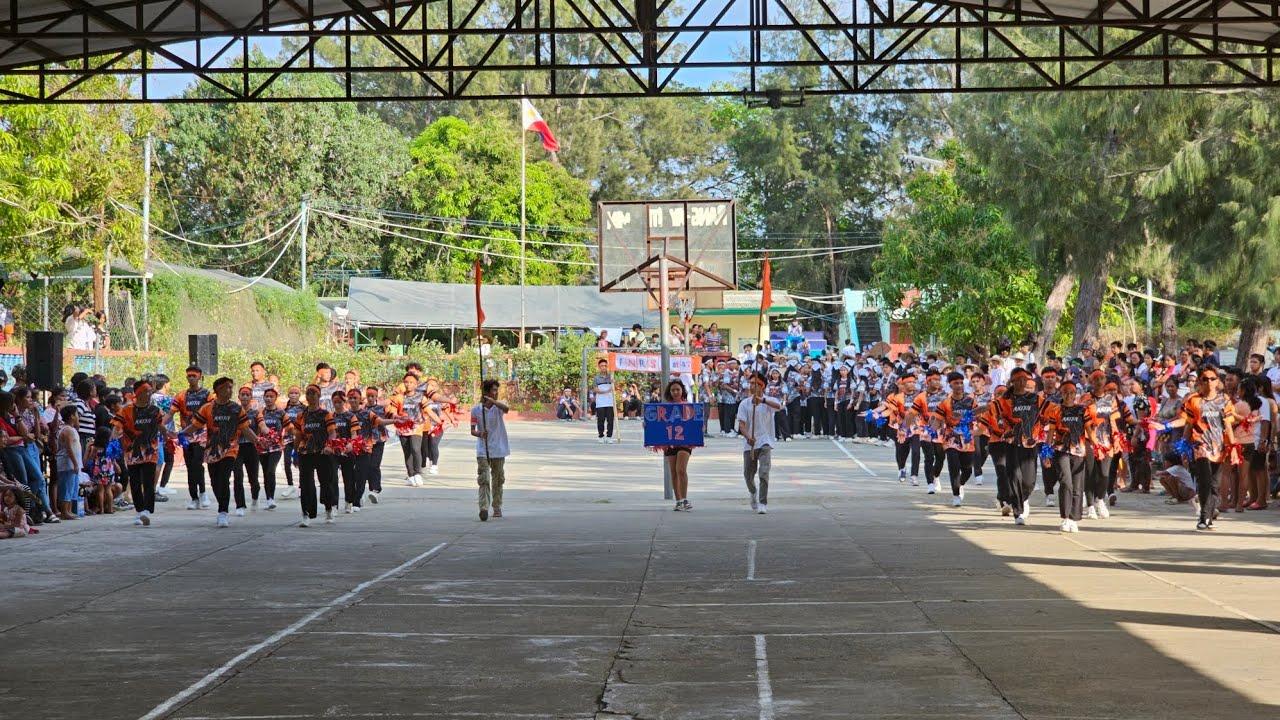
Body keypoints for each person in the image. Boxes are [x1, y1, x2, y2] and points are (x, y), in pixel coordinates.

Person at [1149, 367, 1236, 530]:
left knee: (1214, 484)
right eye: (1205, 379)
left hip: (1219, 447)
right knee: (1204, 480)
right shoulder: (1193, 400)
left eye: (1212, 379)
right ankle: (1204, 516)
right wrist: (1166, 427)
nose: (1209, 382)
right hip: (1199, 446)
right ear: (1200, 382)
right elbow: (1186, 422)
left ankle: (1209, 516)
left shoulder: (1224, 400)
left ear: (1218, 381)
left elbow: (1228, 426)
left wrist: (1234, 447)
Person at [180, 377, 256, 528]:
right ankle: (222, 506)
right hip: (211, 451)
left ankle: (223, 512)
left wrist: (257, 441)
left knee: (224, 479)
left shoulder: (236, 408)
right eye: (227, 387)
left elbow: (245, 429)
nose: (230, 390)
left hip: (230, 450)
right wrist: (182, 434)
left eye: (231, 387)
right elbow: (195, 425)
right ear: (218, 390)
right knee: (215, 482)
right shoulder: (207, 408)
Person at [110, 379, 165, 527]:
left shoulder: (155, 410)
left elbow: (161, 427)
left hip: (150, 452)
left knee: (148, 481)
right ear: (139, 393)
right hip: (131, 453)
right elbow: (116, 428)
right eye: (147, 391)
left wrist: (168, 437)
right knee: (135, 482)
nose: (149, 394)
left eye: (150, 391)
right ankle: (139, 511)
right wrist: (113, 441)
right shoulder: (126, 411)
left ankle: (147, 510)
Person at [291, 385, 336, 526]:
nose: (311, 396)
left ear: (319, 395)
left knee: (326, 482)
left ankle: (329, 509)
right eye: (308, 393)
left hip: (323, 453)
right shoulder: (301, 416)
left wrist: (330, 445)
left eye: (313, 394)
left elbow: (332, 433)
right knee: (305, 485)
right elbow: (298, 436)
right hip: (305, 453)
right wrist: (295, 453)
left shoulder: (326, 414)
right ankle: (306, 514)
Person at [738, 371, 781, 514]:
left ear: (762, 386)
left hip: (765, 441)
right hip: (750, 443)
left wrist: (762, 401)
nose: (751, 386)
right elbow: (742, 425)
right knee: (748, 474)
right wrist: (747, 437)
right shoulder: (744, 404)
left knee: (764, 472)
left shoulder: (769, 401)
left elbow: (779, 406)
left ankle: (763, 502)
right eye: (750, 383)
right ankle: (753, 492)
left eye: (754, 384)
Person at [168, 366, 211, 510]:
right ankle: (194, 497)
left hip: (202, 435)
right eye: (189, 376)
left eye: (194, 376)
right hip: (186, 436)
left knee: (198, 464)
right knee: (190, 466)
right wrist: (161, 425)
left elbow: (213, 412)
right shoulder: (181, 396)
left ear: (200, 377)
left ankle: (203, 492)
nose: (191, 378)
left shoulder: (208, 395)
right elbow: (171, 413)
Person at [471, 378, 510, 522]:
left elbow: (506, 409)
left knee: (498, 479)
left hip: (498, 448)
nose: (496, 393)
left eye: (497, 390)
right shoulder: (476, 410)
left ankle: (497, 505)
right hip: (483, 449)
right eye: (493, 390)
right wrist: (481, 434)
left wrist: (493, 402)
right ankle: (484, 507)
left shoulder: (498, 408)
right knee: (484, 479)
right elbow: (472, 430)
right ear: (486, 392)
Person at [388, 373, 427, 486]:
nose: (408, 384)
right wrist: (397, 417)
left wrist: (437, 421)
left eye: (411, 382)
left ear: (416, 384)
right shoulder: (399, 397)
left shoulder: (421, 397)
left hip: (416, 427)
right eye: (406, 382)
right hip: (402, 428)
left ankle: (418, 473)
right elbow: (392, 412)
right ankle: (411, 475)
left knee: (415, 449)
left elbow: (427, 411)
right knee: (407, 452)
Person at [663, 379, 696, 511]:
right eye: (673, 390)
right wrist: (647, 425)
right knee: (673, 472)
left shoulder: (689, 406)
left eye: (677, 389)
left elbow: (695, 423)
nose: (675, 392)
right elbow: (659, 423)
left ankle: (685, 499)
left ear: (682, 391)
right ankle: (679, 501)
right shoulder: (665, 408)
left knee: (681, 469)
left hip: (685, 442)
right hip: (670, 442)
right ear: (669, 392)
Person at [592, 358, 616, 443]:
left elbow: (614, 388)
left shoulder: (611, 376)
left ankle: (609, 437)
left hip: (610, 402)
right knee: (601, 420)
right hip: (600, 403)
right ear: (599, 367)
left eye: (605, 366)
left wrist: (613, 382)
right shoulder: (596, 378)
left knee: (610, 420)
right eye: (602, 366)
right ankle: (601, 436)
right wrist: (605, 391)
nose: (604, 367)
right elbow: (595, 389)